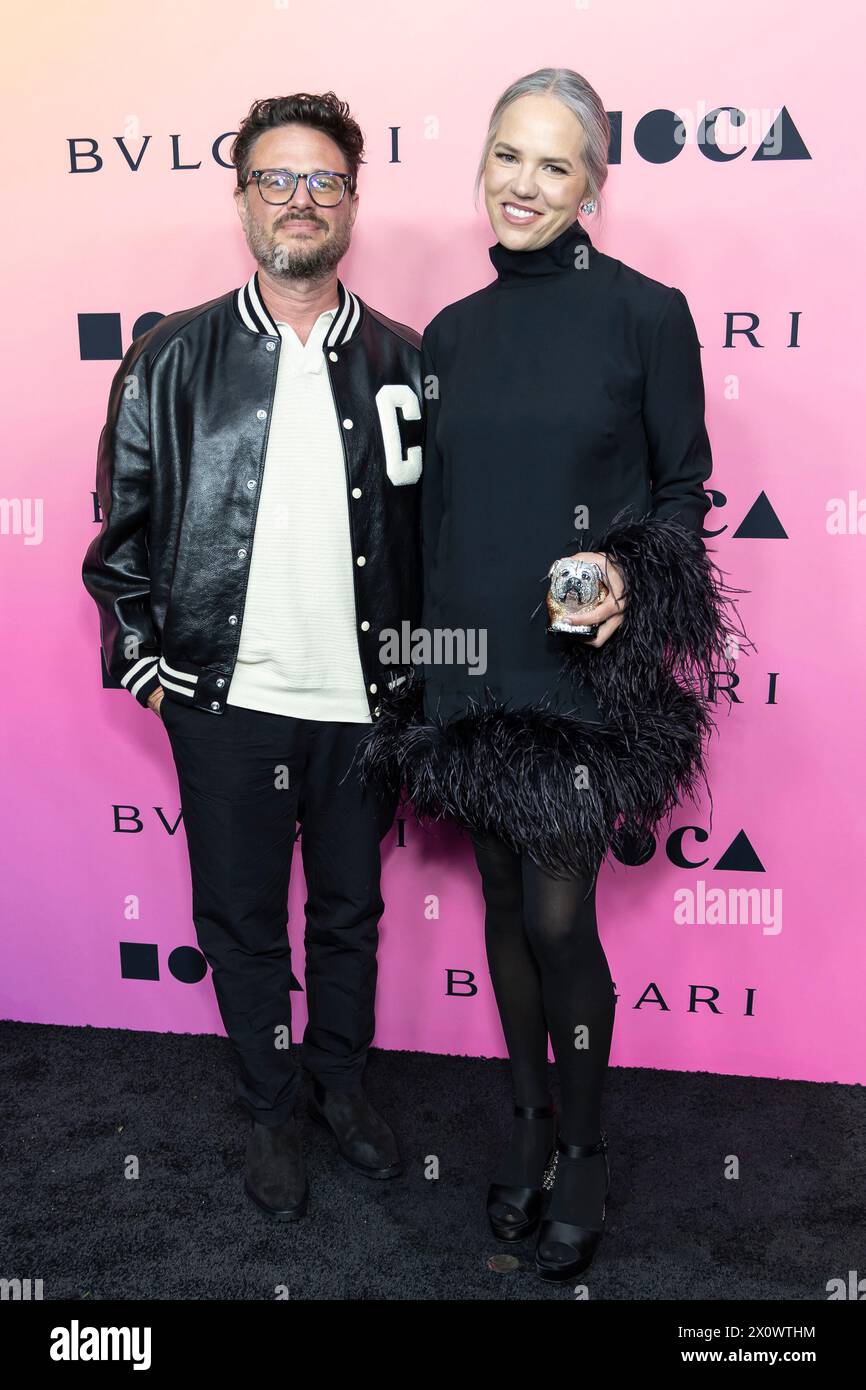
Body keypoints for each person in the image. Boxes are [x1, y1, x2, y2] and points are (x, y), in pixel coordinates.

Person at [359, 68, 752, 1281]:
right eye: (505, 156)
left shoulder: (644, 313)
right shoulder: (451, 333)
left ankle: (581, 1151)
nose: (522, 185)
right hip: (470, 661)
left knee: (552, 913)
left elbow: (683, 487)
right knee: (499, 905)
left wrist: (632, 570)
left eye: (553, 164)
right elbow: (437, 516)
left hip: (578, 667)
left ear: (591, 185)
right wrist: (421, 664)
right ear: (480, 163)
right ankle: (526, 1127)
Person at [82, 92, 424, 1222]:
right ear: (242, 201)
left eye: (323, 180)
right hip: (225, 701)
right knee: (240, 921)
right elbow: (121, 533)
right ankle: (273, 1107)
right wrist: (143, 659)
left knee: (348, 912)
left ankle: (340, 1086)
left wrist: (427, 673)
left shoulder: (406, 361)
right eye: (276, 179)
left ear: (353, 204)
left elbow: (439, 539)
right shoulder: (168, 357)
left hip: (364, 699)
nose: (300, 199)